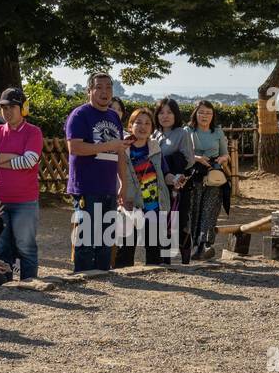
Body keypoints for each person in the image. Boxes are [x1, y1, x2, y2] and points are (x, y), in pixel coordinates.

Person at [65, 72, 128, 272]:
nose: (104, 92)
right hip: (87, 187)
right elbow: (75, 148)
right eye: (99, 87)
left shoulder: (114, 116)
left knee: (106, 240)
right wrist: (109, 145)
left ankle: (103, 277)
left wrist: (123, 184)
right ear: (89, 91)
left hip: (109, 187)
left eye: (108, 87)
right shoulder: (80, 115)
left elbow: (120, 152)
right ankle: (83, 278)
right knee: (86, 239)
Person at [0, 87, 42, 280]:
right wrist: (15, 157)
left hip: (25, 201)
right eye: (4, 108)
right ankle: (4, 285)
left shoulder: (33, 132)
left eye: (12, 107)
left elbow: (29, 161)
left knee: (25, 247)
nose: (7, 112)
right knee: (2, 246)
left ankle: (30, 286)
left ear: (23, 108)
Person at [117, 108, 173, 267]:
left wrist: (175, 180)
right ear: (130, 126)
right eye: (138, 122)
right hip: (130, 206)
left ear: (152, 128)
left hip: (154, 206)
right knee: (125, 250)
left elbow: (164, 173)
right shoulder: (122, 149)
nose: (143, 126)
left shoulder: (155, 148)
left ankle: (156, 281)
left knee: (154, 252)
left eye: (148, 123)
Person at [186, 100, 230, 260]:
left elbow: (226, 154)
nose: (205, 116)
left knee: (210, 211)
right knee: (194, 211)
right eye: (201, 112)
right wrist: (197, 158)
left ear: (213, 115)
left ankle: (205, 244)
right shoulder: (187, 131)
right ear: (195, 114)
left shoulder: (217, 131)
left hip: (214, 175)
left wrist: (222, 159)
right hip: (194, 175)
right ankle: (193, 246)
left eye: (208, 113)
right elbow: (183, 153)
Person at [155, 97, 195, 264]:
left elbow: (190, 160)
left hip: (178, 184)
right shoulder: (154, 134)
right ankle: (165, 260)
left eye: (169, 112)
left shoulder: (182, 133)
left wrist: (170, 164)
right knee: (162, 221)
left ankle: (185, 256)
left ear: (176, 114)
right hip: (158, 184)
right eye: (161, 112)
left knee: (178, 220)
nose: (165, 116)